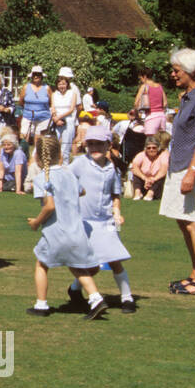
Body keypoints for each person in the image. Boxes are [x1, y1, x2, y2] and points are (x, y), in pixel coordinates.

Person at [26, 134, 106, 319]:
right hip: (76, 229)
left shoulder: (41, 179)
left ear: (37, 156)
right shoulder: (68, 174)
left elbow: (49, 206)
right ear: (60, 155)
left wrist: (36, 222)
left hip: (56, 231)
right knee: (77, 267)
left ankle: (42, 304)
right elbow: (82, 191)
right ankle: (94, 297)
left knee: (41, 264)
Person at [162, 48, 195, 296]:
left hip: (192, 167)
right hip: (179, 165)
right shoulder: (188, 97)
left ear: (191, 71)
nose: (173, 75)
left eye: (177, 70)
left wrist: (192, 172)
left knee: (194, 221)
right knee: (183, 221)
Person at [69, 122, 135, 312]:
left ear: (108, 145)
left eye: (99, 144)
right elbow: (65, 182)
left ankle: (127, 298)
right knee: (90, 264)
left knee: (115, 259)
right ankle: (75, 289)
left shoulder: (112, 170)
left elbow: (115, 196)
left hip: (105, 222)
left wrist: (117, 213)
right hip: (83, 222)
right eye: (91, 144)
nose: (95, 148)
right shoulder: (79, 163)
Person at [50, 67, 80, 163]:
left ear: (67, 84)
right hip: (56, 123)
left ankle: (65, 168)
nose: (61, 86)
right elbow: (53, 107)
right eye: (59, 84)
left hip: (69, 122)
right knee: (54, 146)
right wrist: (55, 119)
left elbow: (71, 109)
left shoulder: (73, 93)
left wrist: (60, 117)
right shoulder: (54, 94)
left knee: (65, 149)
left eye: (63, 84)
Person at [18, 65, 51, 149]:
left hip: (43, 118)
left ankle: (37, 159)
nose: (36, 76)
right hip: (28, 116)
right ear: (31, 76)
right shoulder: (26, 87)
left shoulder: (47, 88)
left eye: (38, 74)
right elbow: (21, 101)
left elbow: (51, 102)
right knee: (24, 137)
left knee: (39, 140)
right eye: (34, 74)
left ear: (41, 76)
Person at [133, 67, 167, 137]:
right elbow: (165, 103)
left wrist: (137, 117)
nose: (141, 81)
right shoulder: (160, 86)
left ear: (144, 76)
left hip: (151, 116)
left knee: (150, 141)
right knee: (161, 142)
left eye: (141, 78)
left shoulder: (144, 86)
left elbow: (136, 104)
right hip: (162, 117)